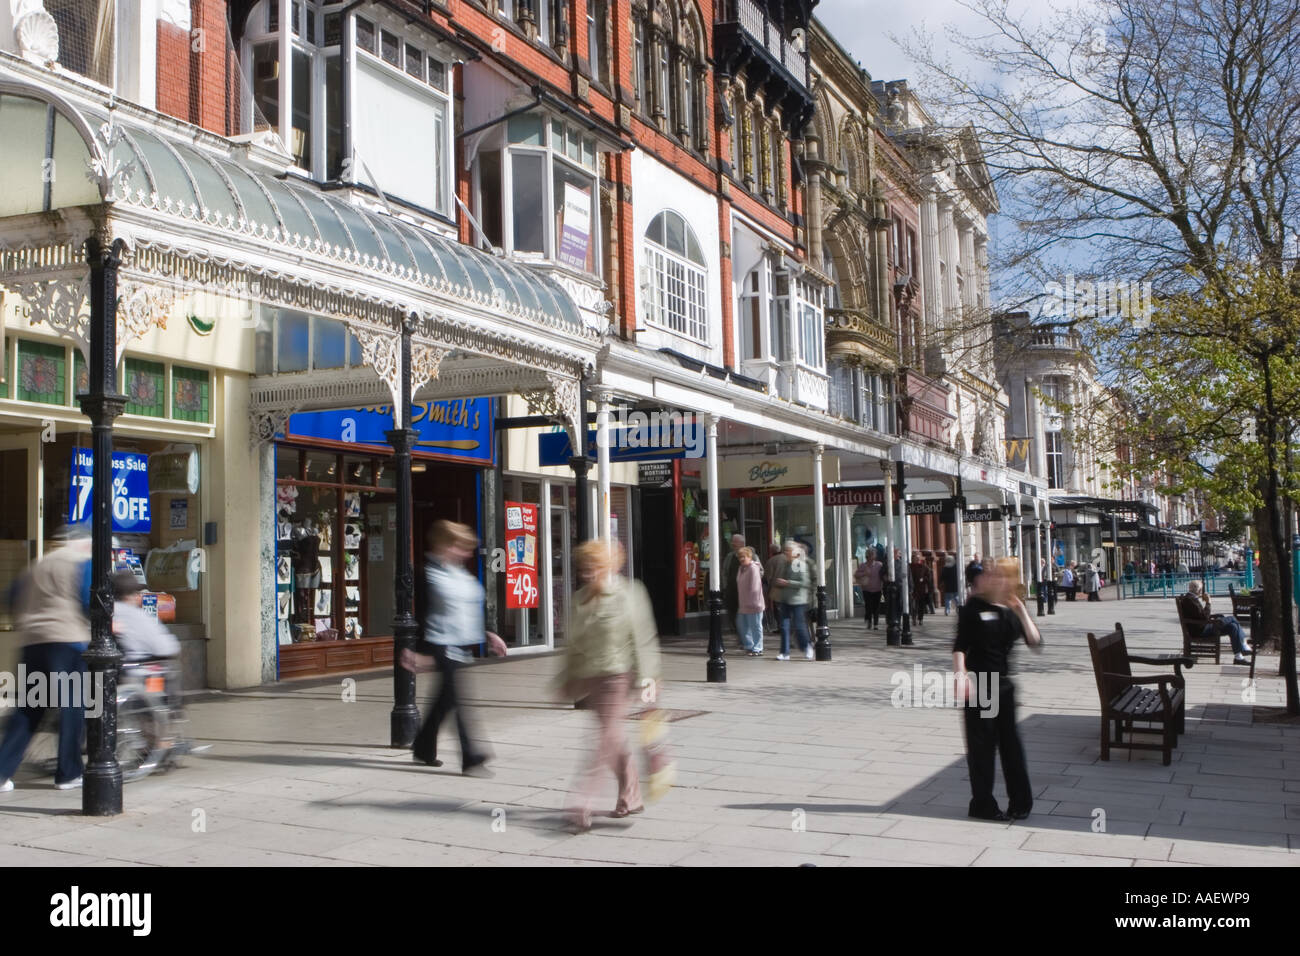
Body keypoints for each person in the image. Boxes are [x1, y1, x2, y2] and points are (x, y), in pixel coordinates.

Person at [558, 539, 662, 831]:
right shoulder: (579, 599)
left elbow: (643, 639)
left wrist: (649, 680)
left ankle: (582, 802)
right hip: (593, 678)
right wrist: (566, 680)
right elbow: (573, 646)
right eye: (583, 568)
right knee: (613, 739)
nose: (587, 573)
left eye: (593, 567)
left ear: (608, 566)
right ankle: (632, 795)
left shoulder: (629, 593)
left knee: (604, 739)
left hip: (619, 676)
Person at [404, 520, 507, 775]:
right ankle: (471, 758)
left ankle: (423, 747)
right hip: (441, 642)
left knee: (445, 700)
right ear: (446, 545)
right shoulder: (427, 573)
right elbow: (419, 613)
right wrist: (415, 649)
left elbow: (468, 608)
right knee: (459, 700)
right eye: (462, 547)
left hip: (462, 642)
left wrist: (488, 634)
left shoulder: (460, 573)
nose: (467, 553)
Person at [0, 527, 93, 792]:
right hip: (67, 641)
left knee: (28, 708)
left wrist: (27, 621)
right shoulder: (81, 563)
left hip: (33, 643)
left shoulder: (36, 565)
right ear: (86, 545)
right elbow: (88, 601)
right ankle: (69, 773)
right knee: (72, 707)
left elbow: (11, 597)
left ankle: (2, 772)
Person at [953, 557, 1042, 821]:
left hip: (1004, 686)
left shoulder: (1010, 610)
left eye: (1001, 575)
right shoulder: (973, 608)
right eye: (993, 574)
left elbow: (1035, 641)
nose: (995, 579)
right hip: (981, 684)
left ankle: (1021, 803)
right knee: (982, 748)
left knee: (1011, 747)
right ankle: (982, 804)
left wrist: (1022, 610)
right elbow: (960, 645)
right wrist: (961, 675)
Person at [1179, 581, 1252, 664]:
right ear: (1198, 590)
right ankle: (1244, 644)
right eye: (1202, 589)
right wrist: (1208, 602)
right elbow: (1205, 617)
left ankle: (1238, 657)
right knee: (1232, 618)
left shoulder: (1190, 598)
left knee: (1233, 627)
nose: (1202, 591)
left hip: (1201, 627)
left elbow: (1201, 616)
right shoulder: (1190, 600)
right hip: (1201, 630)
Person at [771, 540, 812, 661]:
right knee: (784, 626)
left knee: (799, 626)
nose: (786, 553)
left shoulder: (801, 565)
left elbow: (805, 582)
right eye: (785, 551)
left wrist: (788, 583)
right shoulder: (786, 564)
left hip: (798, 600)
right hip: (785, 599)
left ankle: (807, 646)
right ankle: (784, 652)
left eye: (788, 551)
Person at [735, 547, 765, 656]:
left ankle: (757, 648)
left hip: (754, 604)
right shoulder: (741, 568)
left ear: (749, 557)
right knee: (742, 625)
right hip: (743, 603)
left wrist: (754, 603)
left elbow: (755, 586)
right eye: (740, 557)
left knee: (755, 626)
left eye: (744, 557)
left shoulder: (753, 568)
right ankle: (749, 645)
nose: (742, 559)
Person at [721, 533, 747, 647]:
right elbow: (725, 572)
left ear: (741, 543)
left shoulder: (751, 555)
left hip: (745, 593)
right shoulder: (730, 556)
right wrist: (725, 586)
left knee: (743, 616)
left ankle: (745, 639)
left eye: (735, 542)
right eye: (732, 541)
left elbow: (760, 571)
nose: (732, 544)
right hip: (732, 591)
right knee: (733, 615)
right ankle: (741, 637)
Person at [855, 551, 885, 629]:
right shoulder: (863, 565)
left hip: (877, 589)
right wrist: (864, 573)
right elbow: (856, 575)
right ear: (867, 556)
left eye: (873, 555)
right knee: (868, 607)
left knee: (876, 607)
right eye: (870, 556)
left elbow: (883, 574)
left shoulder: (879, 565)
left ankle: (875, 624)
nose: (872, 557)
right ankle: (869, 622)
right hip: (866, 589)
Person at [762, 544, 783, 635]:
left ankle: (781, 627)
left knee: (778, 609)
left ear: (772, 551)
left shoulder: (771, 561)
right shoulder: (787, 558)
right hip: (789, 589)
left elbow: (767, 576)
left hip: (776, 589)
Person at [910, 552, 933, 626]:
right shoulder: (909, 566)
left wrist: (923, 579)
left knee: (921, 605)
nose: (917, 559)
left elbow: (929, 576)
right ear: (912, 559)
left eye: (918, 558)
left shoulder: (924, 567)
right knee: (913, 605)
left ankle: (920, 619)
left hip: (921, 589)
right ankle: (914, 618)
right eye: (915, 558)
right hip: (913, 589)